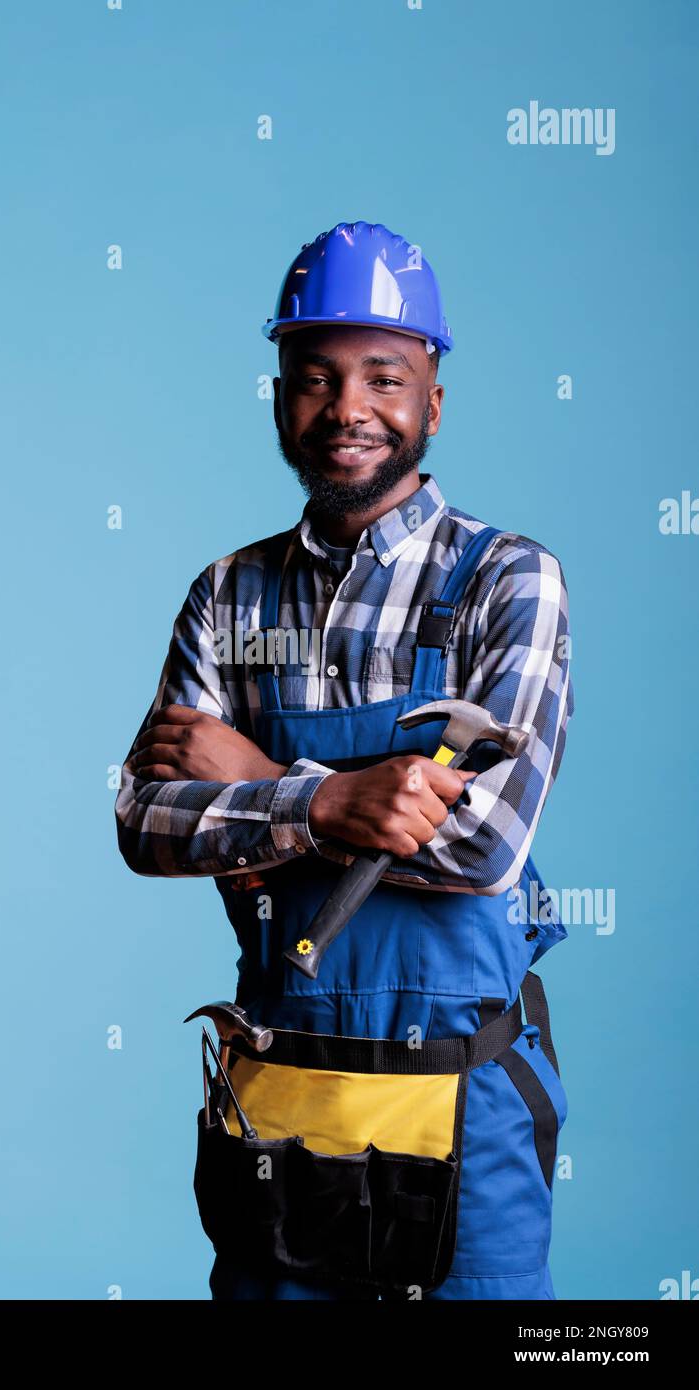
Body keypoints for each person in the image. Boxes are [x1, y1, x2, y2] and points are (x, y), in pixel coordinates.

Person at [115, 221, 574, 1301]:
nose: (347, 408)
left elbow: (478, 843)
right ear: (279, 398)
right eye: (314, 378)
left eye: (383, 375)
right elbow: (142, 820)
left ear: (432, 401)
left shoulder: (509, 582)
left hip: (462, 1108)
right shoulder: (226, 595)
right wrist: (337, 802)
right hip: (278, 1109)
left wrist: (253, 782)